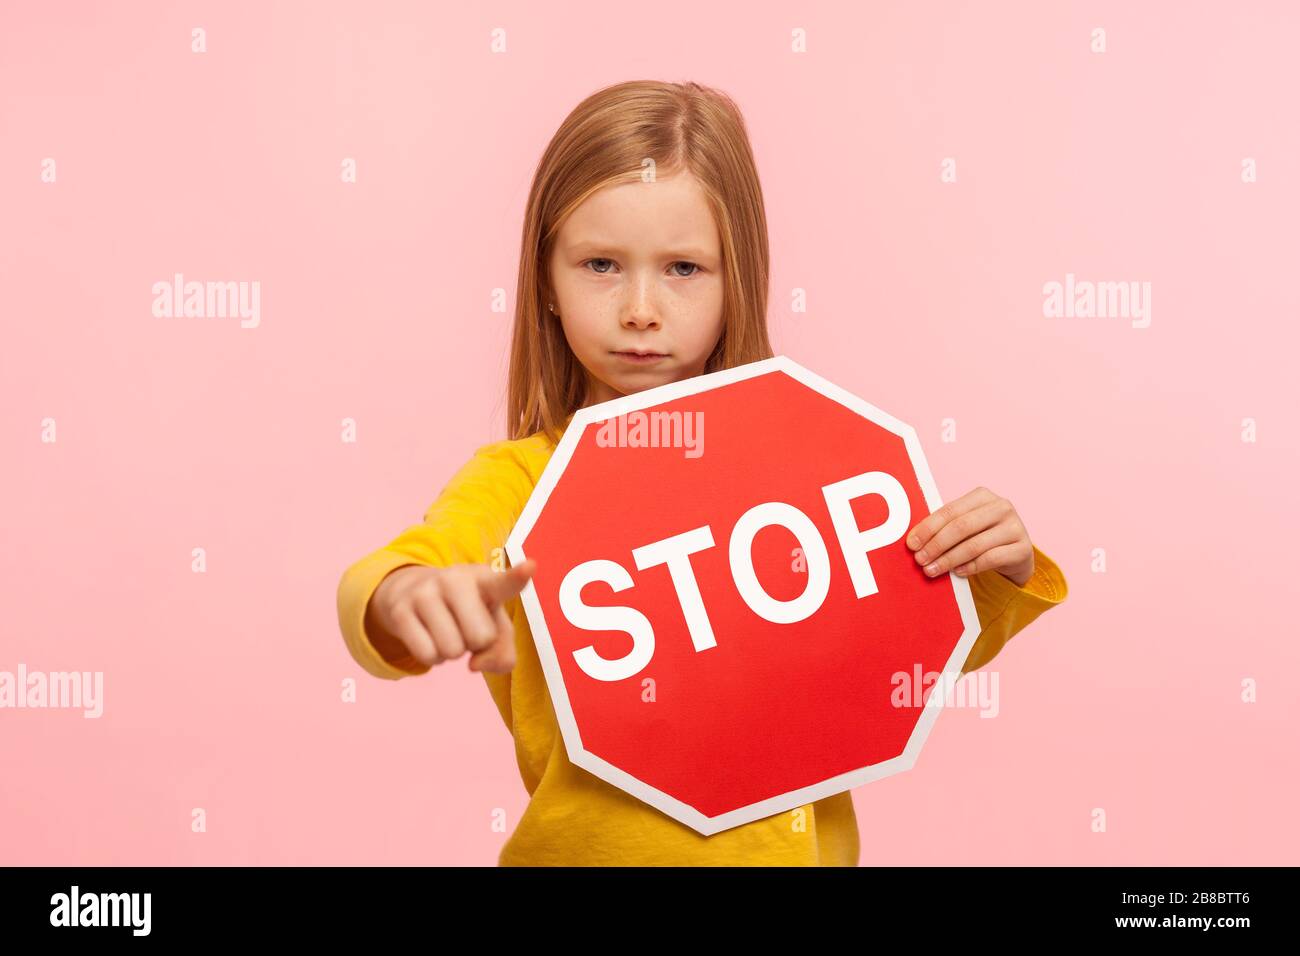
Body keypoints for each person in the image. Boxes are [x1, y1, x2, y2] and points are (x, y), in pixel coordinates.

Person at [336, 79, 1069, 866]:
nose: (640, 309)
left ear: (736, 281)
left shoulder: (801, 466)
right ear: (546, 283)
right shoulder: (521, 479)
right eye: (601, 265)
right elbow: (402, 572)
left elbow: (903, 647)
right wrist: (404, 595)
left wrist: (992, 566)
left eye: (683, 269)